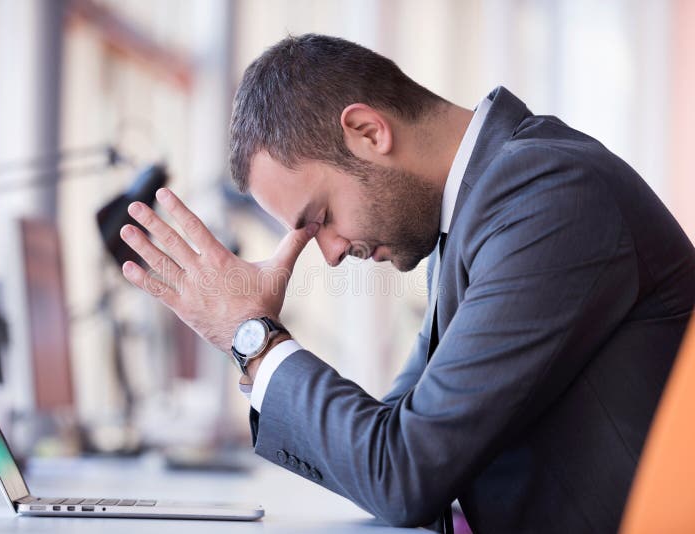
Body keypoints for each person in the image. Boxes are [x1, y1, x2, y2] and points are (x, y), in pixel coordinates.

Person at [118, 34, 695, 533]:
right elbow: (392, 443)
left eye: (320, 217)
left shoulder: (548, 198)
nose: (332, 252)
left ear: (368, 131)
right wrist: (255, 339)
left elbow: (403, 471)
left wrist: (253, 339)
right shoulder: (476, 213)